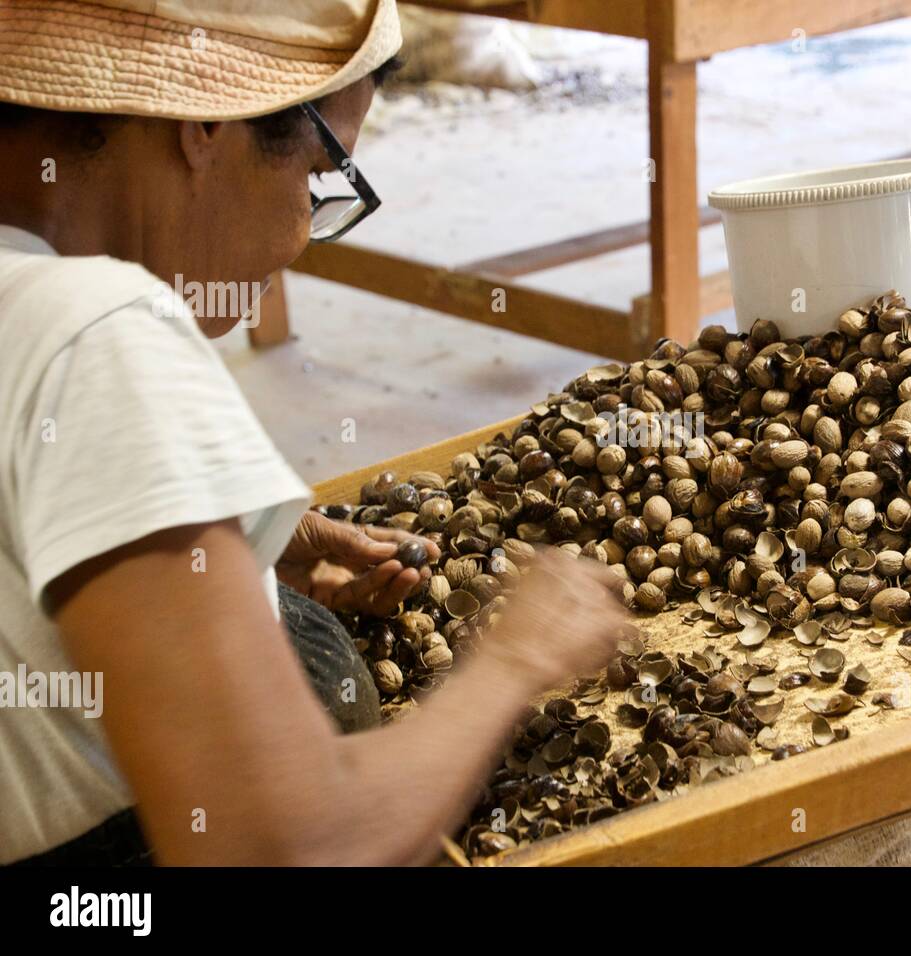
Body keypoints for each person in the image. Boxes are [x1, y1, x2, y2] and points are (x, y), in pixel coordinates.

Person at [0, 0, 626, 865]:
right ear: (207, 122)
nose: (302, 234)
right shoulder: (96, 330)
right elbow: (291, 848)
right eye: (323, 176)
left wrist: (217, 546)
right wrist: (515, 660)